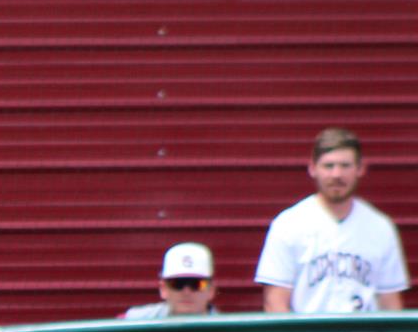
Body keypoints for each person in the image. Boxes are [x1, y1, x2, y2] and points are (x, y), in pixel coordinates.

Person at [256, 127, 409, 314]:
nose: (336, 175)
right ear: (313, 169)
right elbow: (275, 304)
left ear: (360, 169)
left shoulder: (380, 227)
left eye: (345, 166)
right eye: (328, 166)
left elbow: (390, 304)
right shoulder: (288, 225)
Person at [122, 242, 219, 319]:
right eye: (177, 283)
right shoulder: (133, 321)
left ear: (211, 290)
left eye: (197, 284)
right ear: (163, 289)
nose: (186, 291)